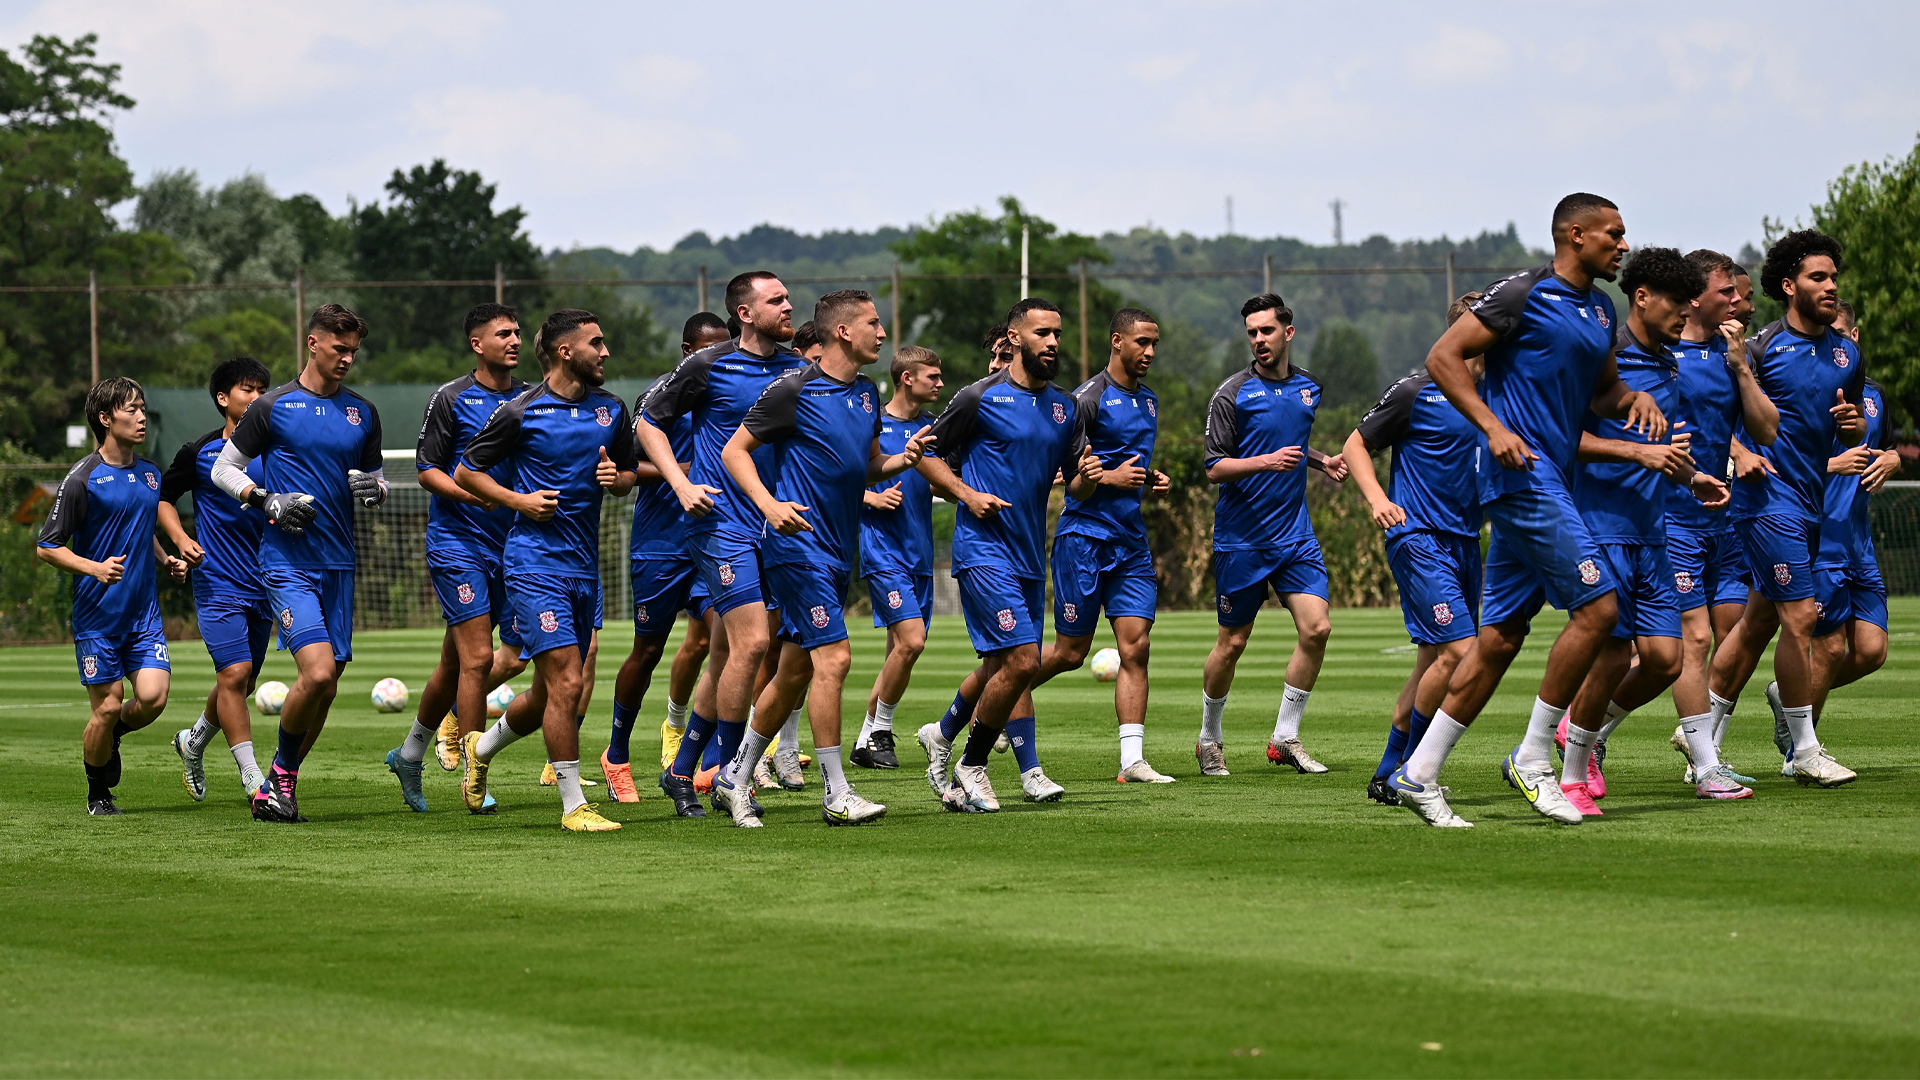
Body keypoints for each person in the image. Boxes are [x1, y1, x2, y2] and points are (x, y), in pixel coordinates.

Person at [1389, 194, 1665, 828]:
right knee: (1599, 609)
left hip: (1554, 481)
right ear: (1575, 235)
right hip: (1521, 476)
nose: (1623, 245)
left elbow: (1600, 394)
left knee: (1499, 640)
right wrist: (1491, 426)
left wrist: (1634, 399)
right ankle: (1535, 758)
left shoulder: (1601, 308)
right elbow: (1442, 357)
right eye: (1613, 235)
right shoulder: (1521, 294)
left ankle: (1418, 773)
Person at [710, 290, 932, 826]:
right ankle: (836, 791)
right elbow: (733, 452)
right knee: (834, 660)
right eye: (874, 324)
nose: (883, 334)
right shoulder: (792, 389)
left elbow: (867, 466)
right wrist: (769, 503)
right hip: (796, 548)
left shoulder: (864, 395)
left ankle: (733, 778)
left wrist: (904, 458)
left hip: (836, 551)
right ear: (842, 332)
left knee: (791, 675)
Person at [1559, 247, 1743, 812]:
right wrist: (1639, 455)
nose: (1687, 310)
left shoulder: (1667, 362)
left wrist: (1694, 479)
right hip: (1604, 527)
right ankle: (1564, 769)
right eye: (1678, 299)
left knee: (1663, 660)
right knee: (1620, 654)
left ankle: (1574, 736)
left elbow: (1664, 448)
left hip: (1655, 529)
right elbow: (1565, 441)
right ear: (1641, 297)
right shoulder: (1606, 356)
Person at [454, 309, 639, 831]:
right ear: (565, 352)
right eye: (595, 344)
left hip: (584, 566)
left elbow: (627, 474)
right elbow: (468, 471)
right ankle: (574, 805)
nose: (605, 353)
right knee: (566, 681)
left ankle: (482, 752)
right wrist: (520, 501)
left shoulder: (612, 409)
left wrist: (617, 478)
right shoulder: (520, 411)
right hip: (534, 564)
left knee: (553, 690)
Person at [914, 298, 1101, 813]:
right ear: (1015, 339)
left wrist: (1087, 477)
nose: (1053, 342)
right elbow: (923, 452)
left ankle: (944, 733)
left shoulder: (1066, 407)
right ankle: (973, 766)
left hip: (1027, 557)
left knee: (1003, 665)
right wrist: (966, 495)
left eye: (1058, 333)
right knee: (1023, 660)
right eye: (1042, 332)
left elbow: (1076, 486)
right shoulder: (979, 397)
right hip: (982, 551)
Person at [1601, 250, 1775, 784]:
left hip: (1724, 519)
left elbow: (1764, 430)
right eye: (1729, 291)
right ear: (1697, 297)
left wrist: (1742, 375)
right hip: (1668, 519)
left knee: (1719, 641)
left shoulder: (1729, 355)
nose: (1739, 300)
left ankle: (1587, 730)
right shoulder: (1647, 356)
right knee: (1691, 643)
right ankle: (1706, 766)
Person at [637, 272, 806, 818]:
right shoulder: (709, 364)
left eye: (787, 297)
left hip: (776, 527)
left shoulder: (798, 371)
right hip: (720, 523)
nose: (788, 306)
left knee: (730, 652)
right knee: (752, 644)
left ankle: (683, 770)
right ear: (745, 313)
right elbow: (647, 423)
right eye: (775, 300)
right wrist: (681, 485)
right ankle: (735, 774)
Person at [213, 304, 387, 823]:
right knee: (316, 672)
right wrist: (264, 499)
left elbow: (376, 478)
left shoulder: (363, 412)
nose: (347, 358)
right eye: (339, 348)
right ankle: (280, 779)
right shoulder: (272, 406)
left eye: (354, 350)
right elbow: (225, 468)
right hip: (286, 561)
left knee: (328, 686)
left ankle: (276, 784)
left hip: (340, 564)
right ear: (313, 344)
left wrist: (373, 490)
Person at [1704, 230, 1866, 788]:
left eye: (1833, 277)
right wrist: (1742, 451)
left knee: (1758, 622)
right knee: (1801, 618)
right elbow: (1713, 422)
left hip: (1812, 504)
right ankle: (1805, 750)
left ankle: (1701, 738)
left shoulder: (1847, 352)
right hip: (1768, 502)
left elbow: (1857, 422)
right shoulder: (1761, 348)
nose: (1830, 286)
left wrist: (1856, 427)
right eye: (1818, 278)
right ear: (1788, 285)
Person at [384, 303, 531, 813]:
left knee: (468, 663)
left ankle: (409, 753)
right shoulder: (450, 398)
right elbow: (427, 470)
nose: (514, 340)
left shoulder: (534, 398)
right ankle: (476, 774)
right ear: (477, 344)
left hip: (513, 546)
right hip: (459, 543)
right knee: (476, 659)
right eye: (503, 333)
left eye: (517, 332)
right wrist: (475, 496)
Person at [1196, 293, 1348, 778]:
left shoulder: (1309, 388)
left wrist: (1321, 460)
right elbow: (1215, 467)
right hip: (1242, 540)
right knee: (1233, 643)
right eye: (1252, 333)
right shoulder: (1231, 393)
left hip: (1294, 537)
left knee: (1318, 629)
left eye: (1266, 331)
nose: (1259, 340)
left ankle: (1285, 736)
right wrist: (1265, 462)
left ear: (1288, 332)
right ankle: (1209, 739)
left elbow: (1293, 444)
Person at [1345, 294, 1486, 810]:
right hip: (1418, 537)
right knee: (1459, 651)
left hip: (1465, 541)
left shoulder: (1495, 394)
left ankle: (1388, 773)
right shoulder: (1415, 391)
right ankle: (1414, 773)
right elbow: (1355, 444)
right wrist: (1379, 500)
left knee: (1432, 656)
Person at [1025, 308, 1176, 783]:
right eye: (1142, 343)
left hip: (1129, 541)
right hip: (1083, 539)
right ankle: (991, 699)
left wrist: (1146, 477)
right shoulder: (1086, 400)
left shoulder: (1149, 401)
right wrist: (1109, 477)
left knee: (1137, 647)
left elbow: (1125, 464)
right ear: (1117, 341)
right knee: (1070, 653)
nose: (1150, 352)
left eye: (1155, 344)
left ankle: (1131, 760)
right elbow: (1071, 482)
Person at [40, 378, 188, 815]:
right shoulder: (82, 478)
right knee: (105, 707)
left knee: (154, 698)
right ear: (106, 419)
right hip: (97, 617)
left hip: (143, 614)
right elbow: (47, 546)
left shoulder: (150, 474)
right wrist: (95, 568)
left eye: (143, 408)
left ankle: (114, 736)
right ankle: (98, 792)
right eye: (132, 410)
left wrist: (164, 559)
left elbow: (140, 529)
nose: (142, 417)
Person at [602, 312, 732, 802]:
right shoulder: (659, 396)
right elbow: (627, 467)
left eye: (725, 347)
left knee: (729, 642)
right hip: (661, 542)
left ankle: (714, 760)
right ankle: (616, 755)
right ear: (686, 351)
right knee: (649, 650)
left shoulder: (738, 394)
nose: (717, 357)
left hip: (719, 538)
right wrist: (684, 471)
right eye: (706, 349)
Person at [1773, 299, 1897, 769]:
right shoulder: (1799, 393)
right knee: (1826, 646)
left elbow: (1882, 447)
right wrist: (1829, 463)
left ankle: (1787, 691)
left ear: (1855, 338)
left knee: (1871, 651)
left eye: (1840, 337)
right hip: (1820, 539)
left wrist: (1893, 458)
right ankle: (1799, 752)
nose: (1832, 346)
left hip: (1859, 543)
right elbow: (1774, 462)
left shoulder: (1875, 396)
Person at [157, 358, 275, 804]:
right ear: (224, 398)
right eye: (248, 389)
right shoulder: (200, 452)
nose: (258, 396)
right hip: (217, 581)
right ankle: (252, 779)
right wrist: (181, 539)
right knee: (236, 673)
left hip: (266, 583)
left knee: (239, 685)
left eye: (263, 389)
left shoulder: (277, 449)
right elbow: (163, 500)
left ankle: (193, 742)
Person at [852, 344, 945, 770]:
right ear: (907, 378)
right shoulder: (871, 425)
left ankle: (864, 741)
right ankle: (883, 732)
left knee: (899, 652)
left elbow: (944, 482)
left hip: (919, 554)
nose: (940, 384)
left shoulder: (931, 429)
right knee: (912, 642)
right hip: (883, 552)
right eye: (933, 377)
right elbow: (832, 480)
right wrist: (870, 497)